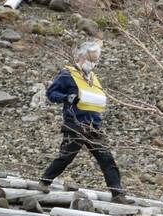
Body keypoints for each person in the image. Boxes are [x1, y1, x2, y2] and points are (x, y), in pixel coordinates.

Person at [39, 40, 131, 204]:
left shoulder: (93, 78)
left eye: (95, 60)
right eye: (90, 60)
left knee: (106, 158)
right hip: (74, 123)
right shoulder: (67, 74)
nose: (92, 64)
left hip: (94, 125)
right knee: (66, 156)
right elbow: (51, 94)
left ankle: (118, 193)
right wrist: (67, 97)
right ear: (81, 57)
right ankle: (45, 181)